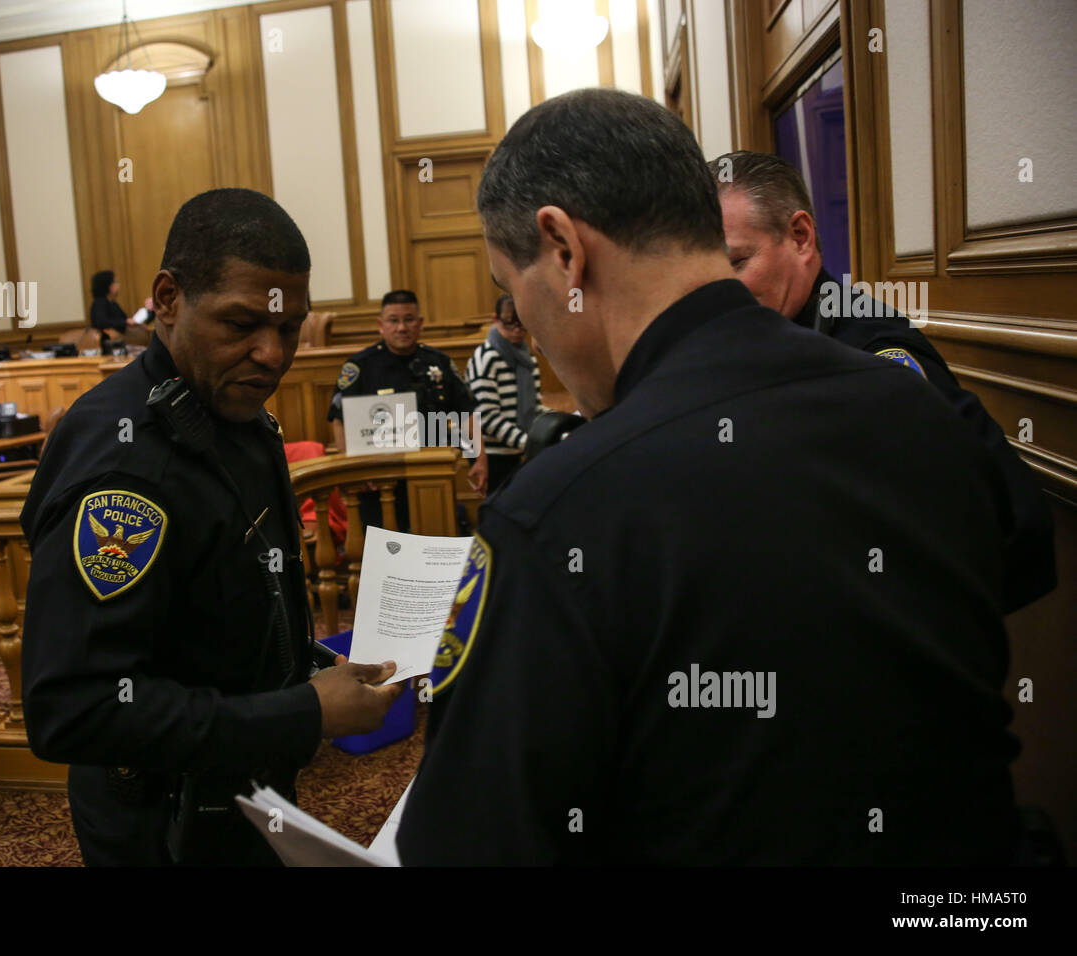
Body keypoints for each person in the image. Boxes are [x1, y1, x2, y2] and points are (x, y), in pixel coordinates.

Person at [397, 89, 1022, 865]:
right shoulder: (918, 404)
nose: (530, 332)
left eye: (516, 293)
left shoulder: (557, 515)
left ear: (563, 249)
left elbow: (472, 840)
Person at [21, 189, 402, 866]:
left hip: (247, 795)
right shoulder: (122, 467)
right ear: (167, 300)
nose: (273, 354)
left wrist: (314, 670)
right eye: (241, 324)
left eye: (289, 328)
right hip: (165, 826)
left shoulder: (233, 414)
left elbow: (216, 615)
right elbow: (73, 707)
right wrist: (305, 714)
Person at [709, 150, 1055, 613]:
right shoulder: (765, 333)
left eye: (737, 263)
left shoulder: (871, 350)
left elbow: (1013, 519)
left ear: (800, 237)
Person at [327, 290, 487, 528]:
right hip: (379, 483)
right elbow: (338, 419)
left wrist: (480, 459)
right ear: (381, 325)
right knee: (386, 553)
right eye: (393, 320)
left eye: (409, 319)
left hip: (432, 478)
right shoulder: (361, 367)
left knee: (435, 548)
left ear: (420, 324)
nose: (402, 327)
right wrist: (353, 470)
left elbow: (466, 412)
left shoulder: (438, 362)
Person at [466, 293, 548, 493]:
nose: (517, 330)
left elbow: (535, 407)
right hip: (494, 455)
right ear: (495, 319)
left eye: (522, 323)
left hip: (519, 450)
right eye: (509, 323)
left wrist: (555, 421)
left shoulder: (529, 360)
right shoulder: (486, 358)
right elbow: (486, 416)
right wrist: (527, 443)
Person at [88, 270, 133, 340]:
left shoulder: (112, 303)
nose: (118, 285)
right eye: (115, 282)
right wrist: (125, 322)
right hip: (106, 342)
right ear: (108, 285)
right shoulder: (99, 303)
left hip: (120, 339)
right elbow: (101, 322)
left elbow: (122, 318)